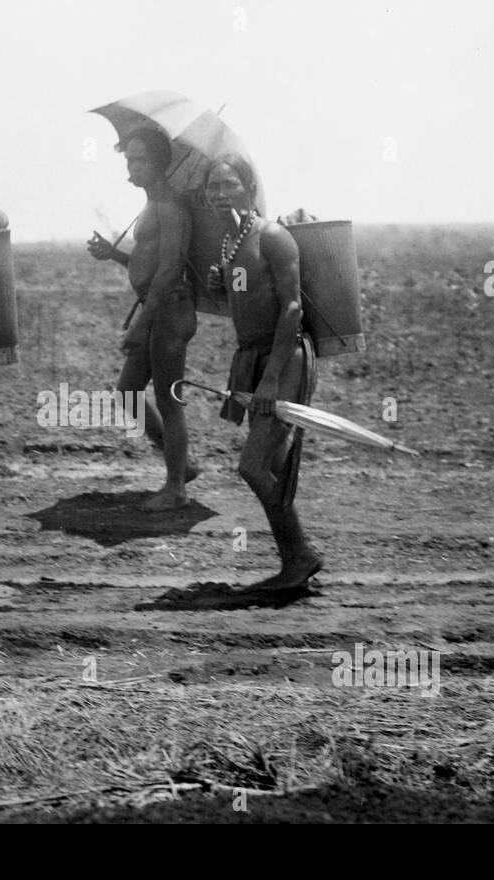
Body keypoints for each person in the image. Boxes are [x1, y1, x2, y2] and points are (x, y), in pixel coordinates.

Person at [204, 154, 324, 590]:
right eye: (212, 186)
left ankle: (301, 554)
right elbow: (248, 295)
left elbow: (291, 307)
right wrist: (226, 284)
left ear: (250, 188)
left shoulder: (272, 236)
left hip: (283, 359)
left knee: (254, 467)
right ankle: (296, 559)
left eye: (229, 184)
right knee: (267, 464)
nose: (220, 194)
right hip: (252, 360)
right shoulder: (229, 243)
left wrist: (272, 378)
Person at [87, 129, 198, 511]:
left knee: (169, 400)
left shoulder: (169, 206)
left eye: (139, 160)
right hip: (157, 306)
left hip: (168, 310)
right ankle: (181, 463)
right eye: (128, 159)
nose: (130, 167)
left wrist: (141, 324)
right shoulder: (153, 203)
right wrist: (114, 255)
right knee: (128, 391)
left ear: (159, 162)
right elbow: (149, 262)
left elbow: (169, 271)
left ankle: (176, 488)